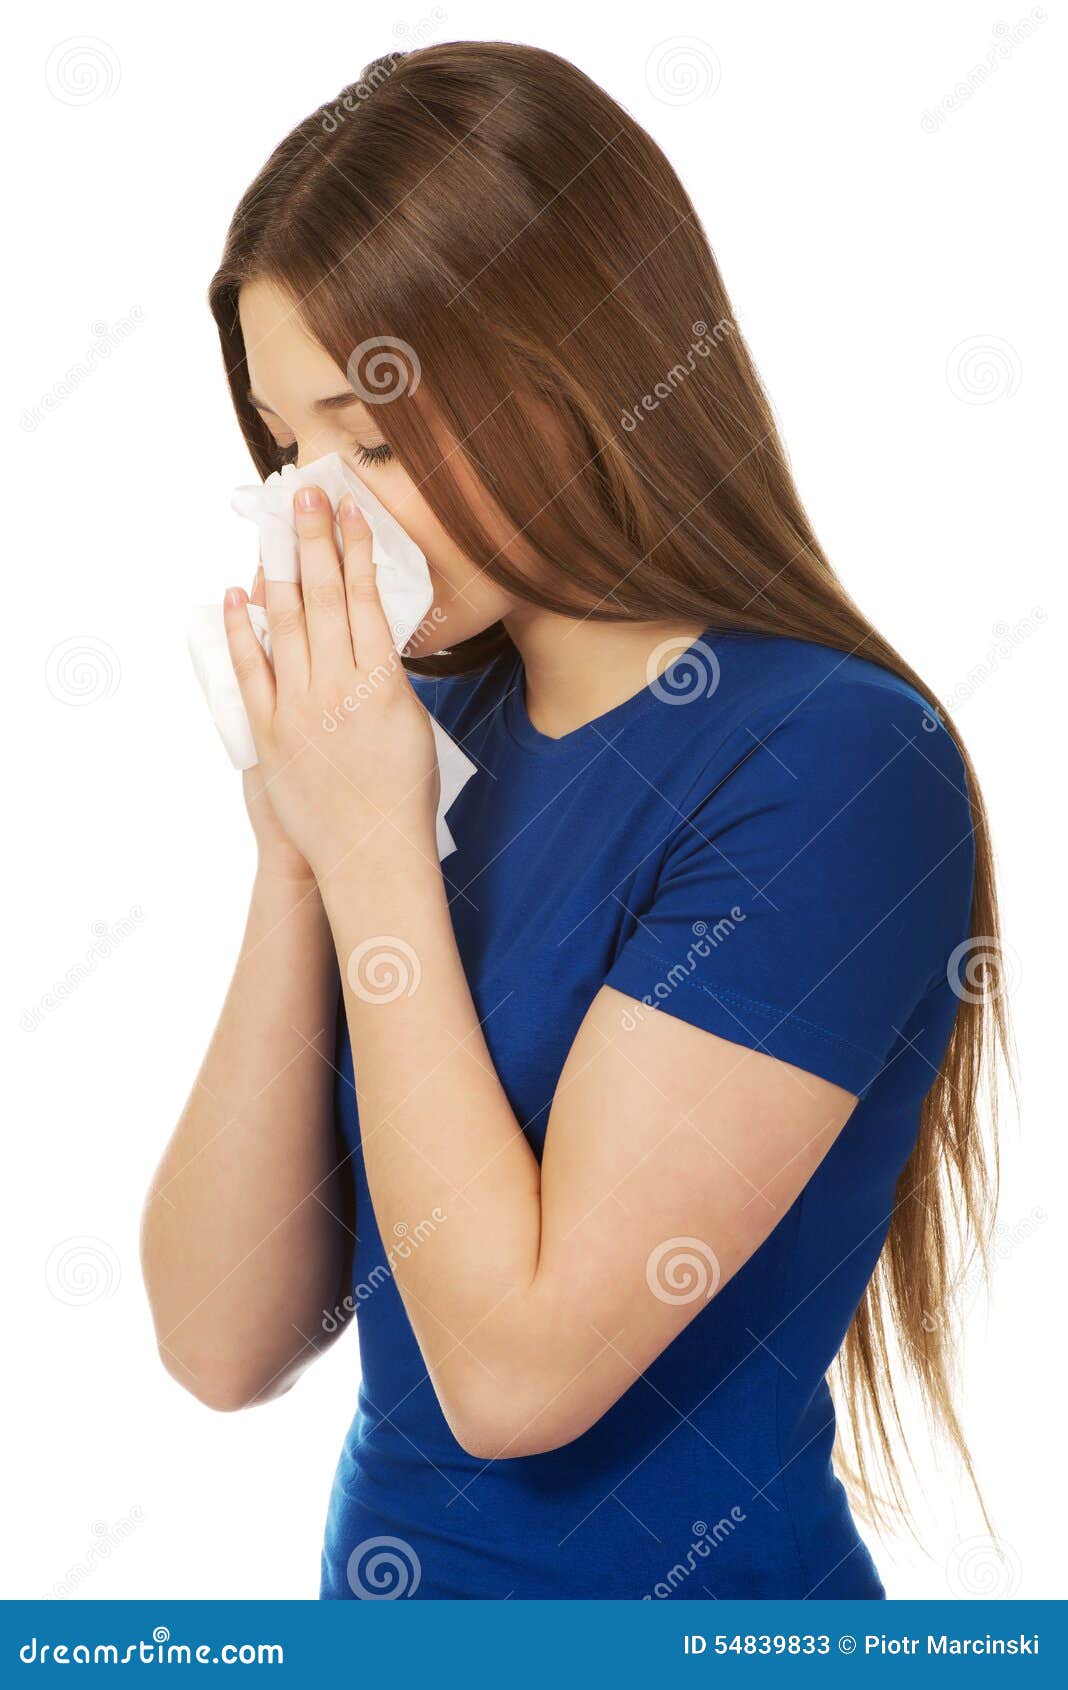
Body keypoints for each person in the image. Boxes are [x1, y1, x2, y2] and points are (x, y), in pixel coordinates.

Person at [142, 41, 1005, 1600]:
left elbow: (515, 1375)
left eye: (374, 437)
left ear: (581, 367)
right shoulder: (418, 744)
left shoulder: (837, 761)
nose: (317, 509)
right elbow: (218, 1336)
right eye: (287, 446)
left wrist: (376, 848)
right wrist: (298, 845)